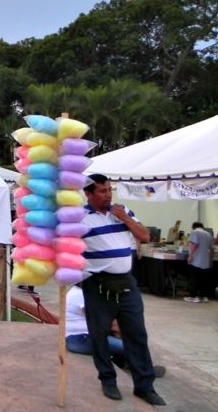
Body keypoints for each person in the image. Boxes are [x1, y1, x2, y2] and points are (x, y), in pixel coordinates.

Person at [80, 174, 165, 406]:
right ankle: (108, 380)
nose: (108, 195)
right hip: (97, 285)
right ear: (88, 194)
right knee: (99, 335)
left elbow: (144, 236)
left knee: (137, 334)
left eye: (110, 190)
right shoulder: (79, 218)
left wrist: (125, 218)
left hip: (127, 284)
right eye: (102, 191)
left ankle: (144, 386)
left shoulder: (122, 210)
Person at [65, 285, 165, 378]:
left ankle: (124, 361)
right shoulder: (80, 295)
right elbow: (104, 319)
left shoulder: (76, 291)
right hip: (81, 339)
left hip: (81, 338)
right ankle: (146, 369)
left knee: (123, 336)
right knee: (129, 344)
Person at [184, 222, 214, 303]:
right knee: (203, 280)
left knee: (194, 279)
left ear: (193, 227)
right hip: (205, 261)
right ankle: (204, 297)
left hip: (196, 260)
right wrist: (210, 261)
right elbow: (212, 249)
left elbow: (195, 245)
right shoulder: (208, 234)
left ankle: (193, 296)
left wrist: (190, 256)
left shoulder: (194, 232)